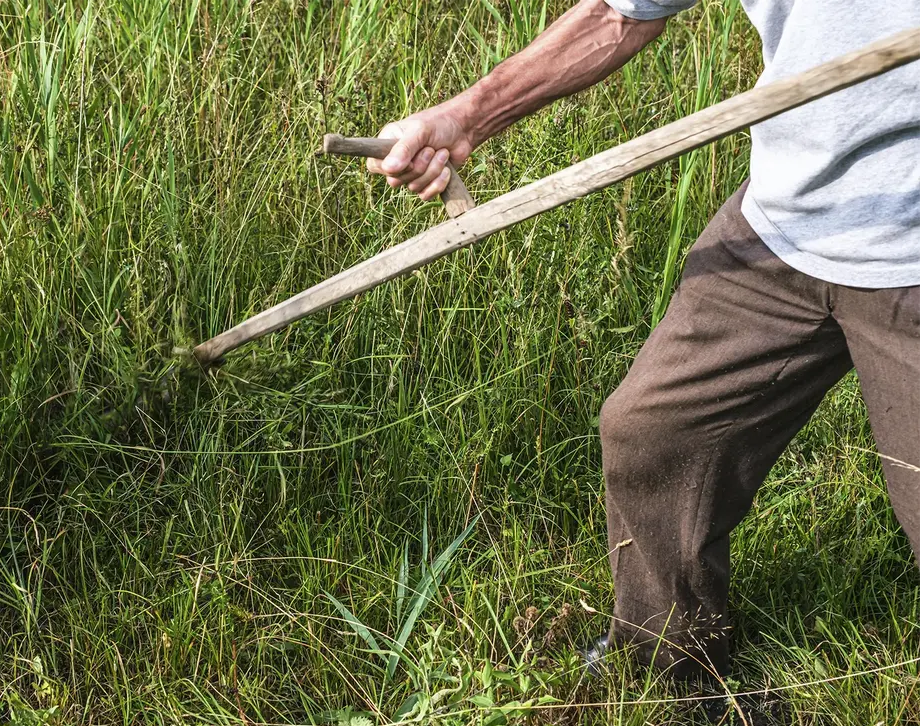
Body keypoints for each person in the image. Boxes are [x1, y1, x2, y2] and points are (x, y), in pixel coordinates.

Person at [367, 0, 920, 681]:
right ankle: (663, 666)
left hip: (912, 254)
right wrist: (463, 118)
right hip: (784, 221)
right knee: (655, 433)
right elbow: (618, 13)